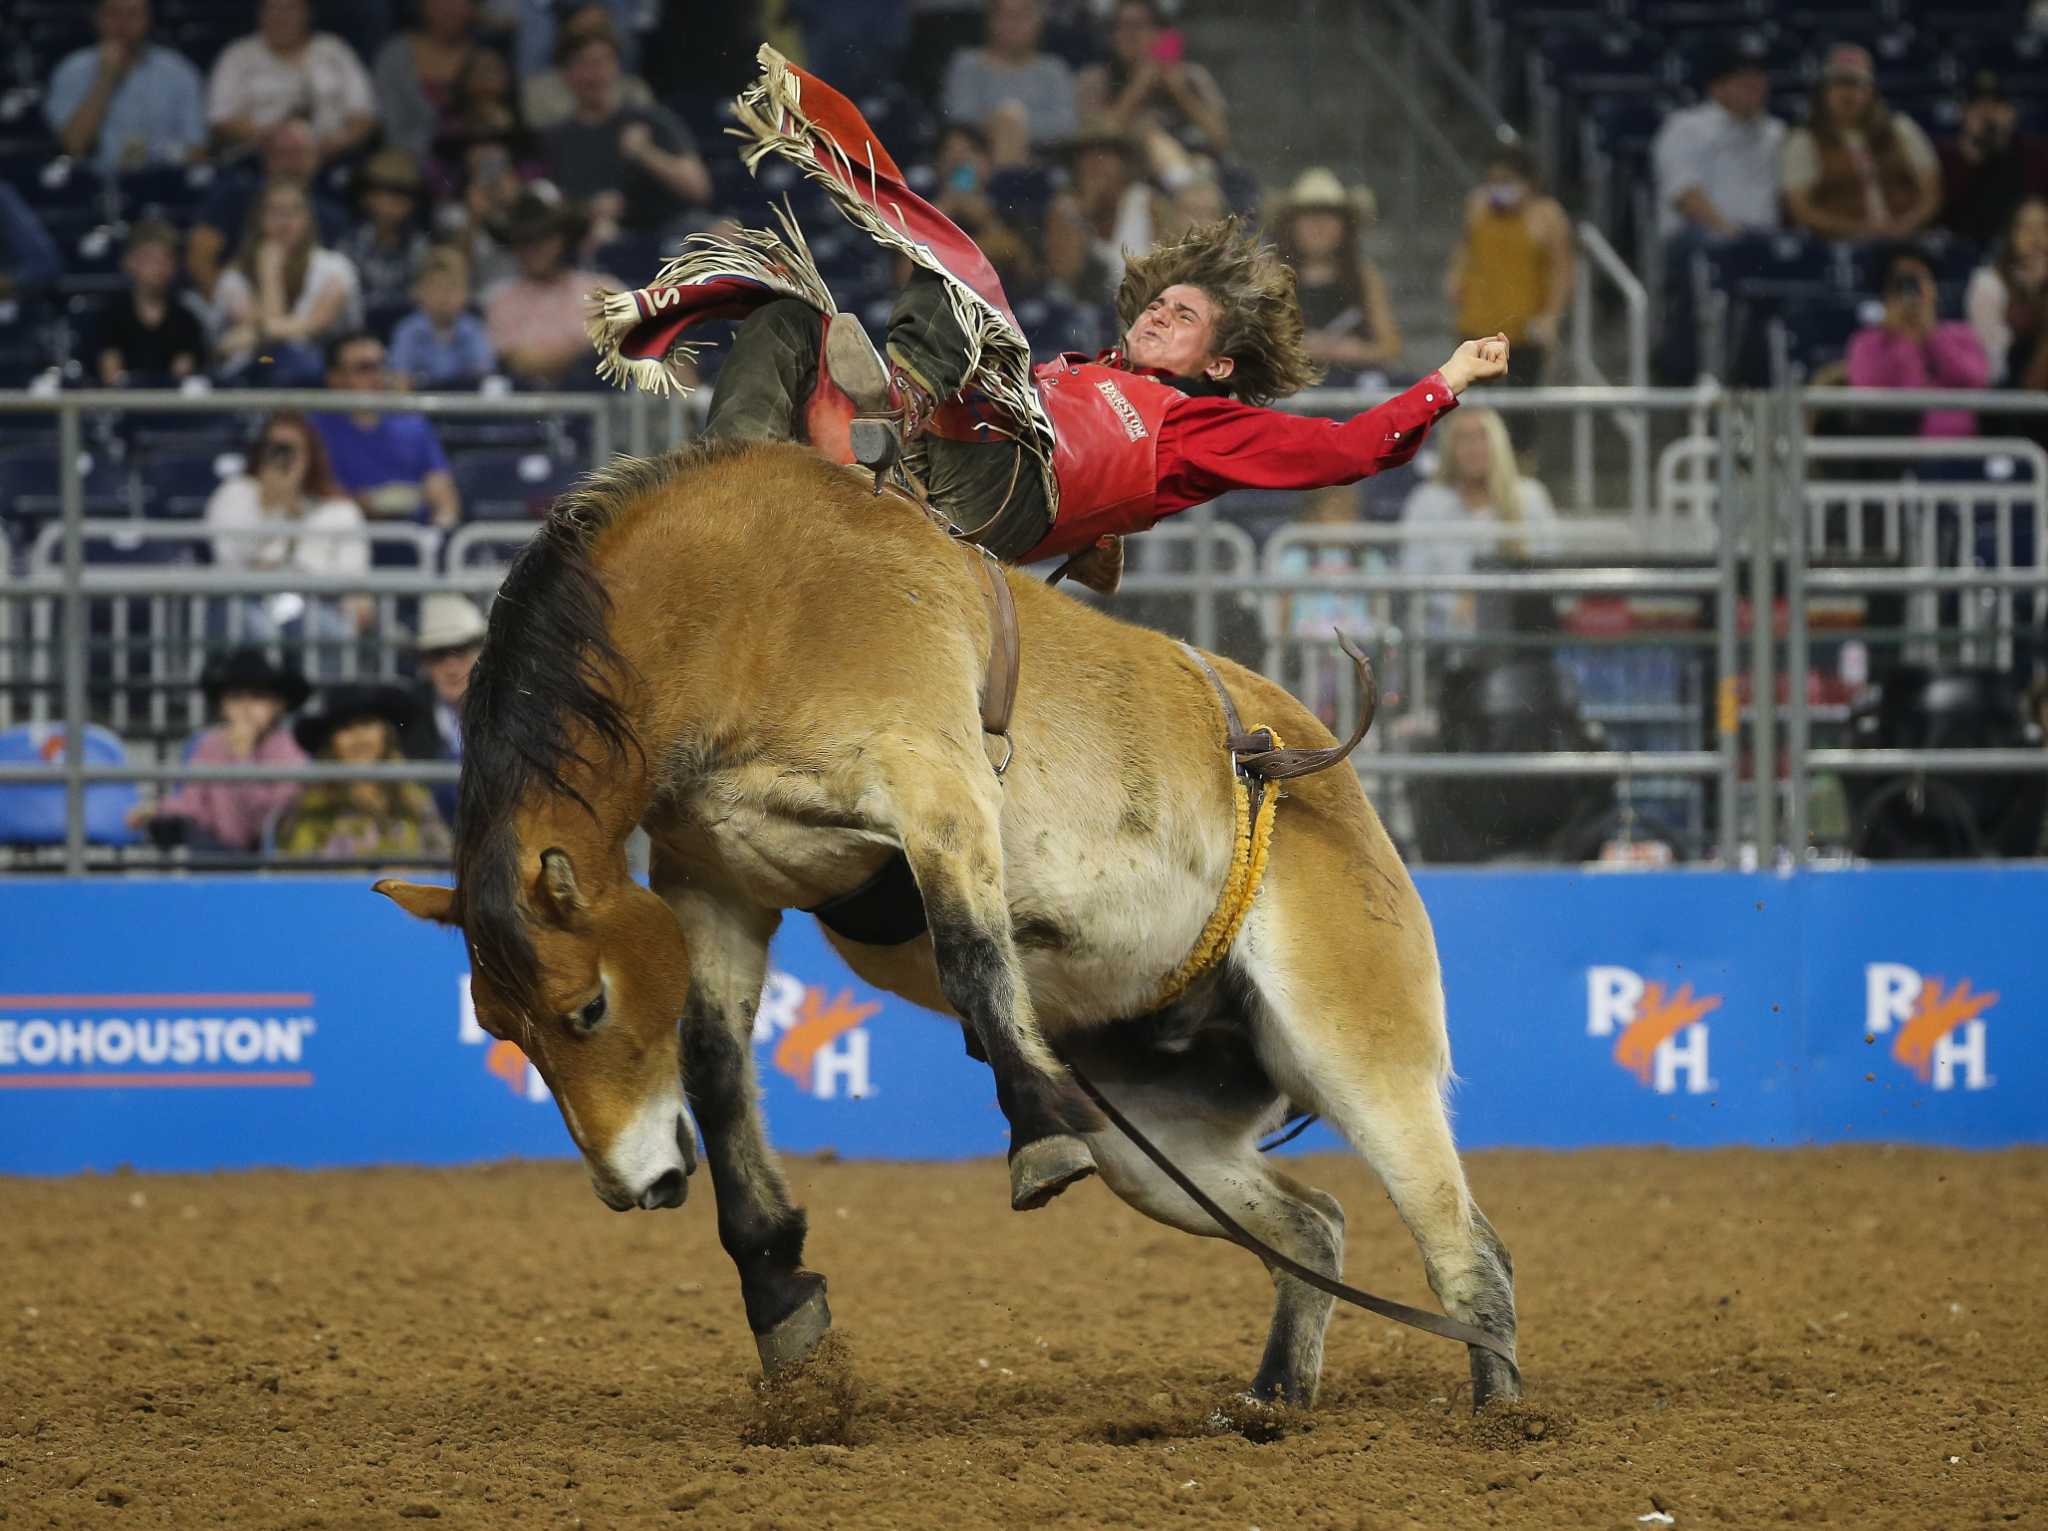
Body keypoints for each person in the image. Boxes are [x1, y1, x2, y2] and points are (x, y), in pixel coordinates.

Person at [594, 50, 1513, 583]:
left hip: (1003, 493)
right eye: (1159, 300)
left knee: (970, 288)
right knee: (790, 320)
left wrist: (1448, 380)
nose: (1157, 314)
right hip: (957, 446)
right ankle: (729, 494)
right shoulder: (1080, 371)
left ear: (1220, 364)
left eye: (1184, 315)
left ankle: (893, 413)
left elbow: (1348, 452)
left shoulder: (1200, 429)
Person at [204, 412, 373, 645]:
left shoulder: (338, 508)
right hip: (247, 601)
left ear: (310, 455)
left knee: (327, 631)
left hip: (317, 604)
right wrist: (271, 507)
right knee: (260, 631)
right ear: (260, 452)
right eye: (275, 449)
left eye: (292, 450)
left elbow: (353, 576)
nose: (283, 459)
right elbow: (229, 558)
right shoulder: (237, 493)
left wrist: (304, 576)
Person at [128, 648, 310, 852]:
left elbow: (270, 820)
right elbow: (193, 803)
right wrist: (157, 810)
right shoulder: (210, 744)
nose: (246, 707)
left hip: (265, 854)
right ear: (222, 706)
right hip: (215, 848)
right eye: (236, 698)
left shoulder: (288, 750)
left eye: (258, 697)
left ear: (279, 705)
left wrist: (243, 758)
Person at [1398, 407, 1559, 637]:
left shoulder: (1530, 497)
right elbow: (1412, 576)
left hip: (1518, 633)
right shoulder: (1426, 502)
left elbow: (1550, 568)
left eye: (1482, 436)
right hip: (1444, 635)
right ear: (1449, 448)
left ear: (1499, 443)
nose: (1474, 448)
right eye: (1463, 439)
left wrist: (1490, 607)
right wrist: (1456, 605)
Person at [540, 30, 709, 242]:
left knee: (721, 233)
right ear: (565, 75)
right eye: (582, 64)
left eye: (601, 63)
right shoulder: (555, 137)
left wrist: (645, 152)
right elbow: (548, 202)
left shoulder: (652, 119)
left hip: (668, 231)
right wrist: (588, 211)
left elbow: (698, 188)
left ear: (617, 68)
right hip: (590, 239)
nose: (593, 75)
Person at [1781, 43, 1941, 244]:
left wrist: (1906, 225)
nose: (1847, 94)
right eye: (1839, 83)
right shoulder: (1804, 139)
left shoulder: (1901, 128)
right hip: (1840, 246)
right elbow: (1801, 208)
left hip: (1906, 240)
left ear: (1871, 92)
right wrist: (1860, 231)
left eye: (1856, 84)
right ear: (1824, 91)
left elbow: (1930, 190)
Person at [275, 683, 451, 861]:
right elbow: (296, 875)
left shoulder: (416, 801)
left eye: (367, 724)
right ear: (331, 743)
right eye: (346, 728)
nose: (359, 737)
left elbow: (443, 865)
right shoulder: (312, 806)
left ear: (386, 734)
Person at [211, 179, 362, 384]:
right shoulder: (234, 277)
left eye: (294, 211)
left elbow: (310, 327)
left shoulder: (335, 268)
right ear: (259, 219)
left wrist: (255, 332)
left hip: (328, 375)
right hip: (259, 369)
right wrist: (269, 272)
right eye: (275, 211)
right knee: (272, 359)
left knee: (294, 357)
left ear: (308, 218)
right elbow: (271, 346)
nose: (284, 221)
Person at [1447, 145, 1572, 388]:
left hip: (1523, 332)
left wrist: (1551, 317)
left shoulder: (1547, 216)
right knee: (1475, 408)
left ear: (1529, 183)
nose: (1498, 187)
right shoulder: (1478, 206)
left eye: (1506, 180)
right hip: (1477, 326)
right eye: (1492, 180)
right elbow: (1465, 248)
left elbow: (1561, 273)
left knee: (1520, 412)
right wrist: (1454, 277)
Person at [185, 115, 348, 296]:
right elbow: (199, 257)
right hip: (239, 301)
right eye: (284, 154)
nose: (293, 164)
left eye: (301, 153)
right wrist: (227, 304)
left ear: (316, 159)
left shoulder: (332, 216)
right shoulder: (235, 197)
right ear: (267, 158)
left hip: (307, 311)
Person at [311, 333, 463, 527]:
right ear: (335, 379)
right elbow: (314, 495)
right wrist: (369, 502)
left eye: (381, 365)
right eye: (364, 368)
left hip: (413, 539)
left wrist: (443, 523)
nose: (377, 376)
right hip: (345, 539)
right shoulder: (315, 429)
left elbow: (440, 486)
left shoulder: (412, 424)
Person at [1271, 167, 1402, 380]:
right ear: (1291, 225)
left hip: (1351, 379)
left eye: (1328, 216)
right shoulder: (1270, 272)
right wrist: (1302, 347)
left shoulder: (1363, 275)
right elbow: (1253, 345)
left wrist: (1353, 351)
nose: (1318, 226)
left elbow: (1390, 347)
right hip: (1290, 382)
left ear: (1345, 226)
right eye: (1309, 217)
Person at [206, 0, 375, 164]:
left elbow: (364, 116)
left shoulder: (335, 50)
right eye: (272, 9)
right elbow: (221, 120)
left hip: (331, 157)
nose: (280, 17)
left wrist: (336, 143)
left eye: (290, 8)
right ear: (260, 14)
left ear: (307, 13)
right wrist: (275, 141)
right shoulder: (237, 55)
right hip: (258, 161)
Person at [45, 0, 205, 171]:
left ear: (148, 20)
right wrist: (105, 80)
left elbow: (197, 150)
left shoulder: (179, 73)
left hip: (163, 183)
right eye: (114, 14)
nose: (123, 24)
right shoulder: (72, 70)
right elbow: (72, 146)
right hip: (92, 185)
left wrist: (163, 155)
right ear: (97, 18)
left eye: (133, 14)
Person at [1846, 248, 1991, 438]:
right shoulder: (1867, 343)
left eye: (1917, 281)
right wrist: (1902, 340)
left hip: (1958, 443)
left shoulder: (1961, 334)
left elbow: (1977, 380)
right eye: (1900, 282)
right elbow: (1866, 395)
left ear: (1933, 288)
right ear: (1887, 293)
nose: (1910, 291)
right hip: (1891, 448)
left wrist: (1932, 335)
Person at [1652, 37, 1784, 242]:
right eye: (1743, 77)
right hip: (1702, 240)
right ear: (1717, 86)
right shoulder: (1685, 127)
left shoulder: (1776, 132)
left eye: (1759, 75)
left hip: (1763, 241)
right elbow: (1684, 194)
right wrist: (1731, 235)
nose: (1755, 84)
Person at [482, 191, 617, 388]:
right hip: (528, 410)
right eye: (525, 240)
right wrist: (587, 350)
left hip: (597, 405)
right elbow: (524, 363)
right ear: (514, 245)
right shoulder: (500, 300)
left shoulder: (602, 289)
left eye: (544, 237)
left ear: (562, 240)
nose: (534, 248)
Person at [1075, 0, 1229, 155]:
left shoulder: (1193, 76)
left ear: (1160, 32)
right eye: (1120, 26)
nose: (1129, 35)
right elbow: (1097, 140)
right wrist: (1139, 87)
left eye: (1138, 26)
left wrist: (1180, 92)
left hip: (1194, 161)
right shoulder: (1094, 78)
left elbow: (1219, 138)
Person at [941, 0, 1079, 149]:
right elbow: (960, 118)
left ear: (1038, 21)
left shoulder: (1054, 69)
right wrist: (1004, 125)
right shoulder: (968, 64)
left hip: (1040, 159)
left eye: (1022, 16)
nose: (1013, 25)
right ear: (990, 20)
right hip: (980, 158)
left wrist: (1011, 125)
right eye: (1005, 16)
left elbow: (1066, 125)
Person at [1939, 70, 2048, 247]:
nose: (1987, 114)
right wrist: (1968, 159)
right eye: (1978, 106)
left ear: (2011, 113)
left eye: (1996, 105)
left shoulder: (2038, 156)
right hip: (1966, 259)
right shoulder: (1947, 160)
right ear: (1963, 114)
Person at [405, 591, 487, 823]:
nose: (451, 667)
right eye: (438, 655)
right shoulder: (411, 717)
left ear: (483, 654)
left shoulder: (513, 715)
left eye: (461, 651)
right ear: (425, 663)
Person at [92, 218, 207, 386]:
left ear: (174, 266)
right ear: (130, 262)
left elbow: (184, 373)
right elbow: (110, 374)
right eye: (149, 259)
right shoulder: (111, 316)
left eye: (165, 259)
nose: (158, 267)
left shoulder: (186, 319)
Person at [520, 4, 653, 133]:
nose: (595, 72)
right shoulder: (540, 93)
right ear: (566, 66)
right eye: (584, 62)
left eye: (602, 61)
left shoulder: (634, 93)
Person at [336, 147, 432, 326]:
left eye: (398, 195)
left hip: (406, 330)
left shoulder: (419, 246)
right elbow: (345, 301)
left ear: (410, 203)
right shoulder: (349, 243)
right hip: (360, 328)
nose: (387, 204)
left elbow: (422, 299)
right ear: (367, 197)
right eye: (380, 193)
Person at [372, 0, 478, 160]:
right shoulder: (395, 55)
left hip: (476, 156)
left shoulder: (486, 57)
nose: (450, 7)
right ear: (422, 5)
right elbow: (391, 130)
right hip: (409, 160)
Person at [1966, 198, 2048, 388]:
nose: (2036, 238)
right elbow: (1994, 368)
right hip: (2009, 394)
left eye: (2044, 228)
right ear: (2011, 234)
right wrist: (2034, 297)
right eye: (2027, 228)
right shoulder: (1988, 284)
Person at [388, 245, 496, 388]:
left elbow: (483, 376)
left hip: (464, 406)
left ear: (466, 294)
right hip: (419, 407)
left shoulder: (474, 329)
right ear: (419, 292)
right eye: (436, 287)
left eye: (452, 287)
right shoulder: (407, 330)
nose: (444, 296)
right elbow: (399, 379)